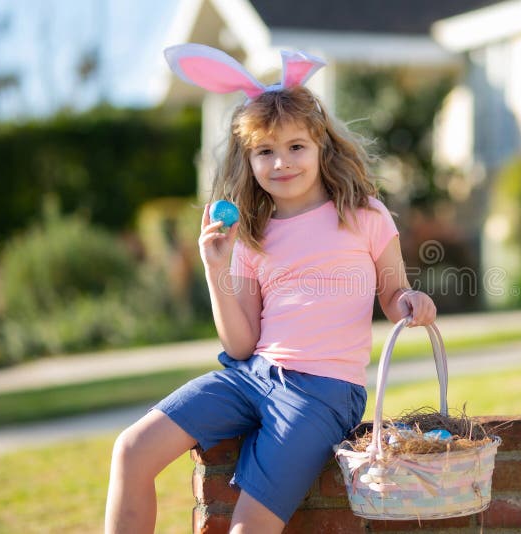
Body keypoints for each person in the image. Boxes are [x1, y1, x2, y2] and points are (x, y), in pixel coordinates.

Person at [104, 44, 437, 533]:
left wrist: (411, 302)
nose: (282, 163)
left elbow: (393, 294)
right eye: (265, 151)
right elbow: (240, 344)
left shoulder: (363, 213)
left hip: (323, 391)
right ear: (249, 158)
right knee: (130, 449)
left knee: (248, 528)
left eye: (295, 147)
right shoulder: (251, 233)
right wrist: (216, 269)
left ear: (321, 145)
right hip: (250, 376)